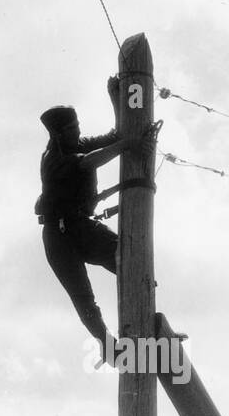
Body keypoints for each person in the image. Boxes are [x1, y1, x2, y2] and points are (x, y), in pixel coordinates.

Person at [35, 76, 151, 363]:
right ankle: (108, 345)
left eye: (78, 127)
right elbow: (90, 161)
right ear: (60, 133)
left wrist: (115, 98)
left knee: (131, 261)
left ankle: (143, 327)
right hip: (59, 236)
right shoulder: (53, 158)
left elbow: (117, 134)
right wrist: (127, 145)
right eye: (73, 129)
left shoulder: (78, 143)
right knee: (83, 296)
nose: (79, 132)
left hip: (81, 227)